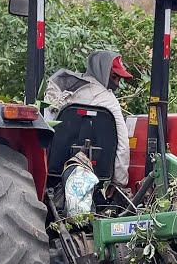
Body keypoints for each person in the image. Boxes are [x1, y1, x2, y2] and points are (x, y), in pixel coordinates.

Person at [43, 50, 134, 188]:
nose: (117, 83)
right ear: (100, 70)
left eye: (119, 79)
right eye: (114, 76)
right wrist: (119, 183)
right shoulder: (107, 100)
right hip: (92, 172)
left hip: (50, 167)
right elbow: (122, 144)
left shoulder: (59, 84)